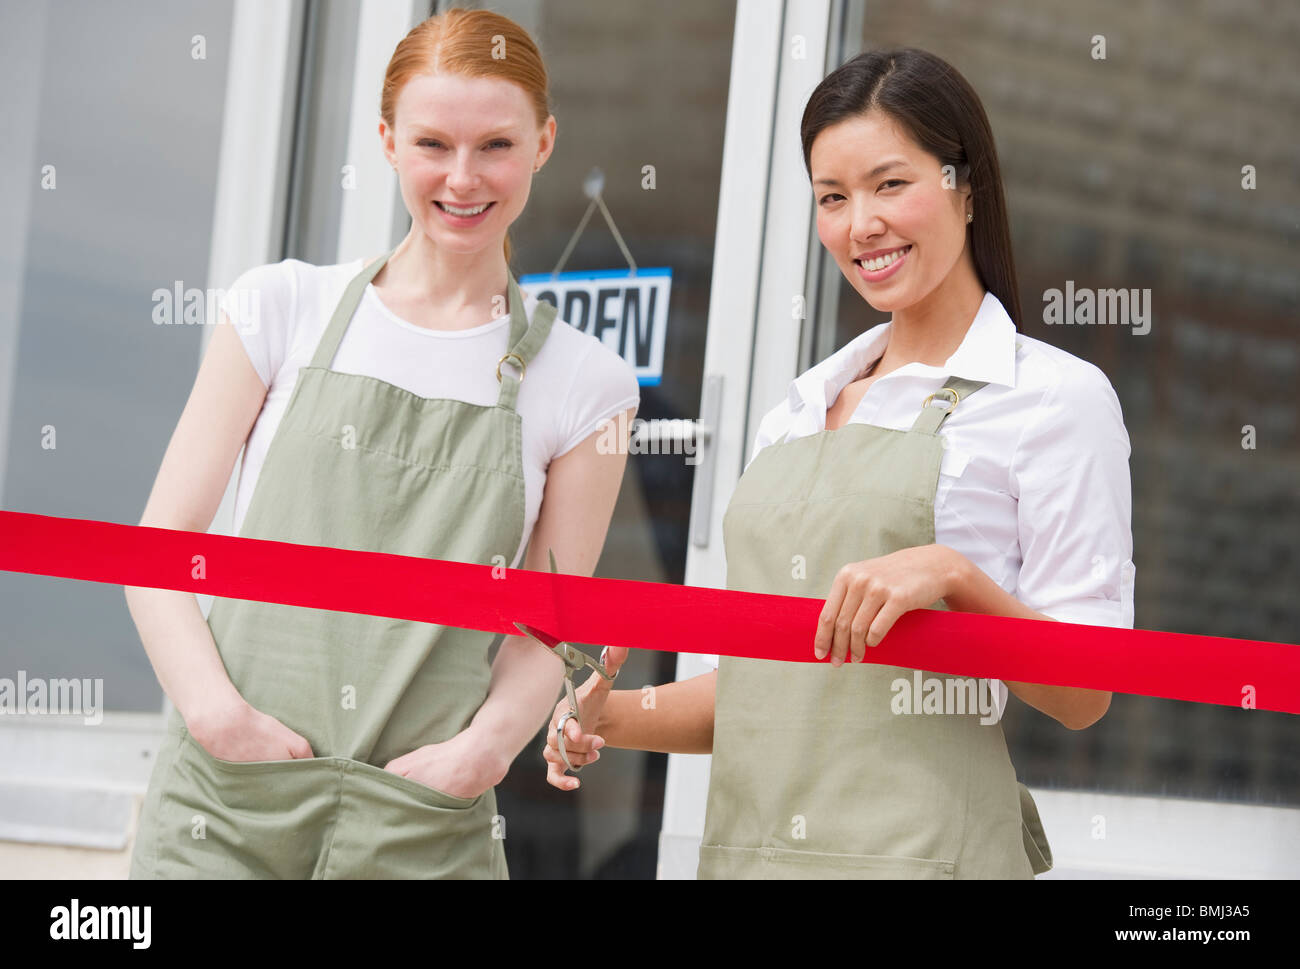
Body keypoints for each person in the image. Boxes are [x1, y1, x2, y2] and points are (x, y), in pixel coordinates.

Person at [543, 47, 1134, 879]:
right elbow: (752, 692)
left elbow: (1086, 692)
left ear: (966, 187)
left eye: (891, 184)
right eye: (833, 197)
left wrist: (954, 575)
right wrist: (609, 717)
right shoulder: (795, 414)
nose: (861, 225)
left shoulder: (1051, 399)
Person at [125, 8, 639, 879]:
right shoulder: (281, 307)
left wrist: (480, 754)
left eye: (497, 146)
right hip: (226, 800)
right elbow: (160, 551)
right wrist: (216, 717)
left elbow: (547, 623)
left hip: (419, 824)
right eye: (433, 143)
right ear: (387, 142)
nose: (463, 178)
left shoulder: (589, 385)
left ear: (545, 142)